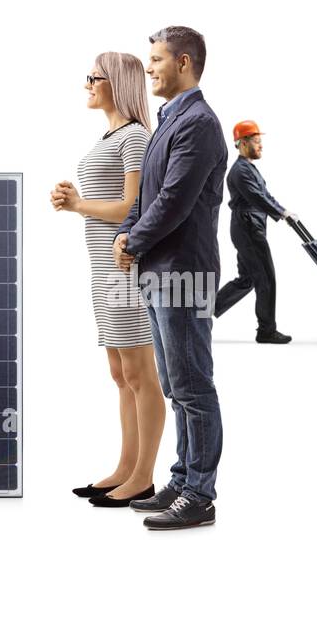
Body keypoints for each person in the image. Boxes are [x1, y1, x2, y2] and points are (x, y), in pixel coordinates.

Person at [114, 26, 225, 530]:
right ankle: (182, 480)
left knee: (192, 386)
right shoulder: (168, 119)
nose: (150, 68)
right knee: (173, 384)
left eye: (156, 59)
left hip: (185, 272)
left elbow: (175, 201)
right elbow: (146, 195)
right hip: (161, 271)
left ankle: (200, 495)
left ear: (184, 63)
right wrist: (128, 231)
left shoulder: (199, 123)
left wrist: (132, 241)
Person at [50, 53, 167, 508]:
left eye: (93, 77)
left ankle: (142, 477)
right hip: (103, 269)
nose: (87, 84)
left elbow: (133, 208)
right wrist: (70, 200)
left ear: (115, 82)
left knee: (141, 374)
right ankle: (125, 467)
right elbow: (106, 200)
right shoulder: (110, 136)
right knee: (121, 373)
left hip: (128, 271)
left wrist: (79, 205)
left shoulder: (136, 137)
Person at [213, 120, 294, 343]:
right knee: (266, 278)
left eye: (260, 141)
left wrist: (283, 211)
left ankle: (205, 310)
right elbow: (256, 197)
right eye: (256, 141)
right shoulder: (239, 171)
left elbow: (266, 195)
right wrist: (281, 213)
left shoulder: (249, 168)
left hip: (250, 225)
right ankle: (266, 331)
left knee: (247, 279)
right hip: (247, 227)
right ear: (242, 143)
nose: (261, 146)